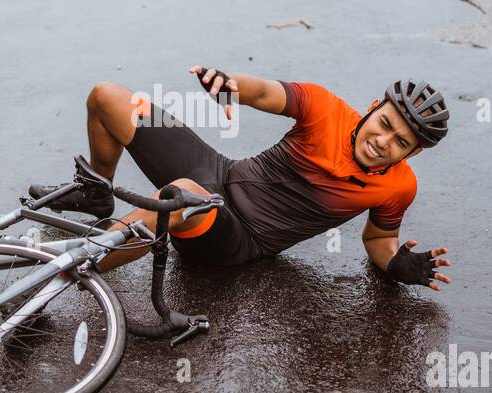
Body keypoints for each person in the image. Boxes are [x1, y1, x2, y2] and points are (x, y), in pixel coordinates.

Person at [28, 67, 452, 290]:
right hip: (220, 173)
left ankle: (61, 271)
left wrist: (397, 265)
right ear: (374, 107)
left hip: (239, 239)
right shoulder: (327, 109)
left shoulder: (399, 186)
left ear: (412, 153)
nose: (383, 142)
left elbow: (378, 240)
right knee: (110, 97)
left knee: (184, 197)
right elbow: (267, 93)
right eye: (385, 124)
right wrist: (231, 84)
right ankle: (96, 193)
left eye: (400, 142)